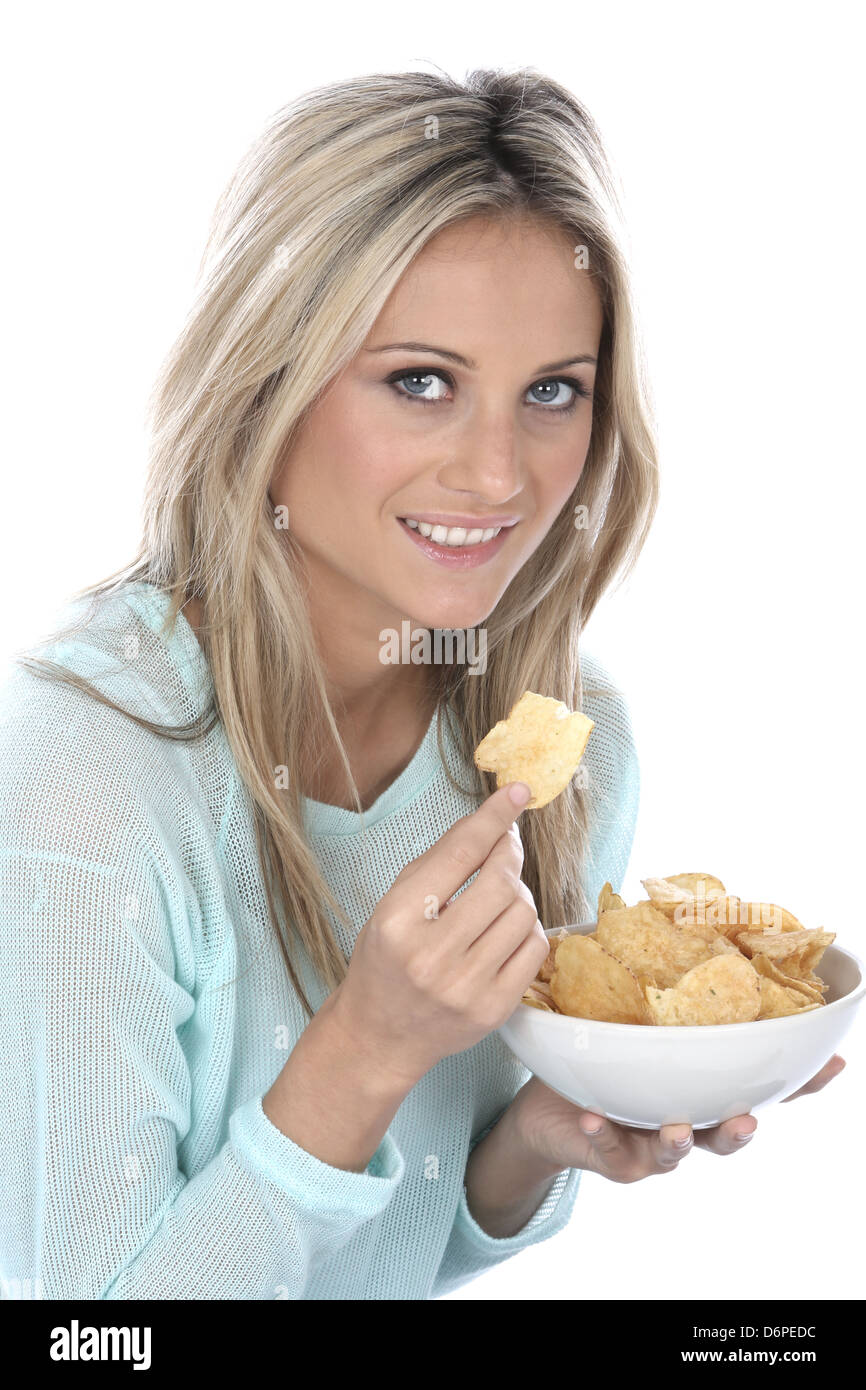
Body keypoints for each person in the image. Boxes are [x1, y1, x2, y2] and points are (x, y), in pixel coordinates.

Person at [0, 67, 844, 1302]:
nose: (498, 475)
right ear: (264, 385)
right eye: (420, 381)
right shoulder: (85, 786)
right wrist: (364, 1051)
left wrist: (530, 1145)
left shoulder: (569, 741)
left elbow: (385, 1251)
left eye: (550, 391)